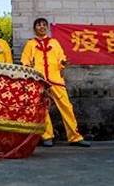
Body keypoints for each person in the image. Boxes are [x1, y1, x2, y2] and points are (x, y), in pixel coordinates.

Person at [20, 18, 91, 148]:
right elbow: (25, 61)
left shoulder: (55, 42)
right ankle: (47, 136)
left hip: (56, 80)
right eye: (38, 25)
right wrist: (30, 70)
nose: (41, 27)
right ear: (34, 28)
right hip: (39, 80)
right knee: (41, 109)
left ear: (47, 27)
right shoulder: (30, 44)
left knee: (66, 107)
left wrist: (63, 63)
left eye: (43, 25)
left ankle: (75, 137)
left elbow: (61, 58)